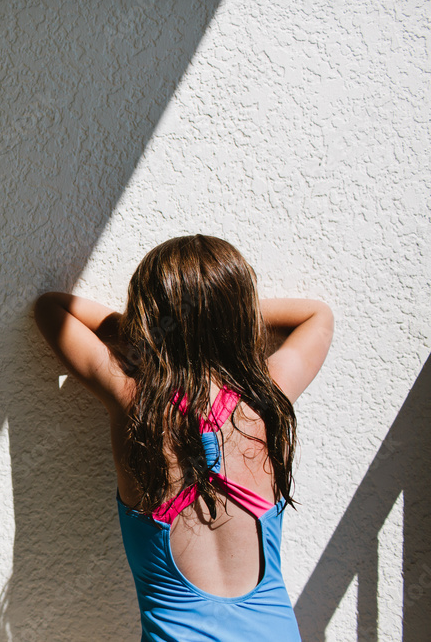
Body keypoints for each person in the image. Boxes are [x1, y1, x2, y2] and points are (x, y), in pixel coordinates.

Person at [33, 234, 334, 641]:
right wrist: (224, 315)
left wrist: (162, 328)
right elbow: (317, 316)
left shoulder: (134, 403)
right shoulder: (267, 399)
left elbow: (51, 309)